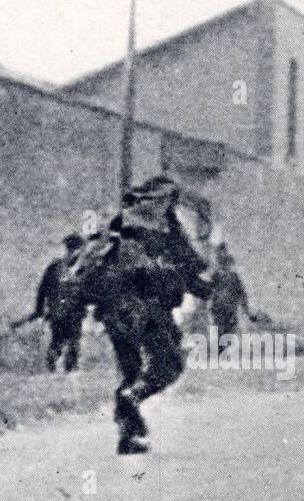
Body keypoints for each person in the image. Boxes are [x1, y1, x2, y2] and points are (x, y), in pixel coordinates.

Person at [75, 176, 212, 454]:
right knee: (169, 365)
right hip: (145, 308)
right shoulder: (154, 227)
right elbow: (183, 270)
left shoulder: (123, 223)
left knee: (132, 371)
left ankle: (130, 433)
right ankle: (131, 410)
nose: (163, 205)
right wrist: (204, 287)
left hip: (115, 310)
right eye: (160, 200)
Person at [12, 233, 87, 372]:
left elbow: (87, 292)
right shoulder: (56, 268)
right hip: (61, 315)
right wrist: (39, 310)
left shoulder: (78, 269)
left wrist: (39, 310)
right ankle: (57, 376)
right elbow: (42, 290)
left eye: (76, 249)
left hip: (71, 314)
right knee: (62, 346)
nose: (75, 252)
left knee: (67, 347)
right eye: (73, 249)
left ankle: (63, 375)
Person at [209, 244, 256, 337]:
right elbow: (210, 293)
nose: (225, 266)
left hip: (230, 312)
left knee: (228, 337)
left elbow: (242, 295)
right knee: (221, 337)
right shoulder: (216, 276)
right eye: (222, 263)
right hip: (219, 312)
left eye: (226, 263)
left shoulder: (234, 277)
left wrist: (246, 312)